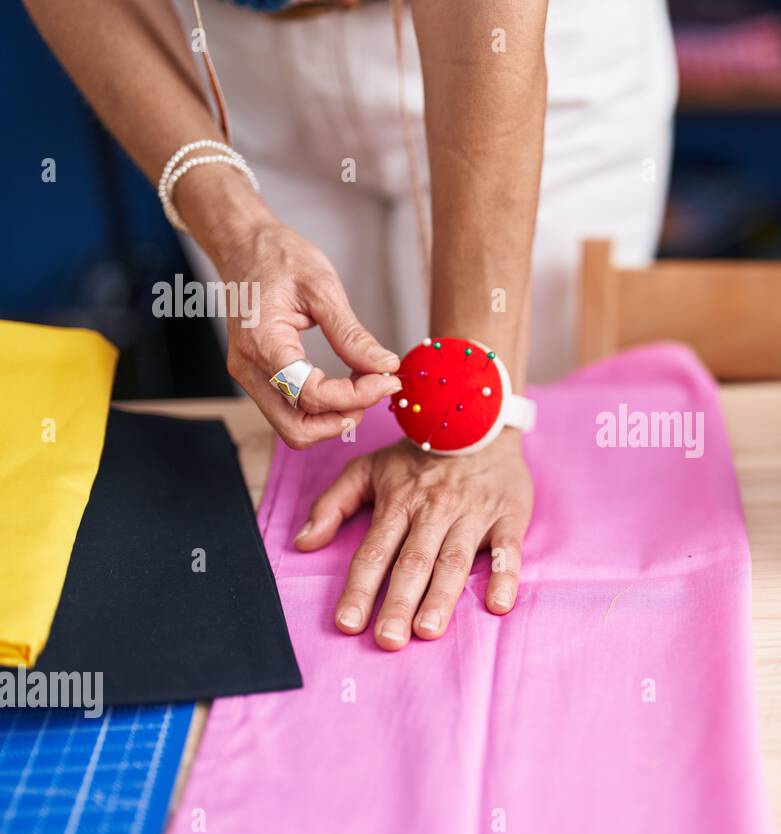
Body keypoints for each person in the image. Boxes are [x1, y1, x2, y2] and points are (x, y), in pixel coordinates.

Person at [24, 0, 676, 651]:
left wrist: (472, 427)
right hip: (235, 68)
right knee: (317, 427)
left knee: (512, 481)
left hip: (508, 52)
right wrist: (241, 229)